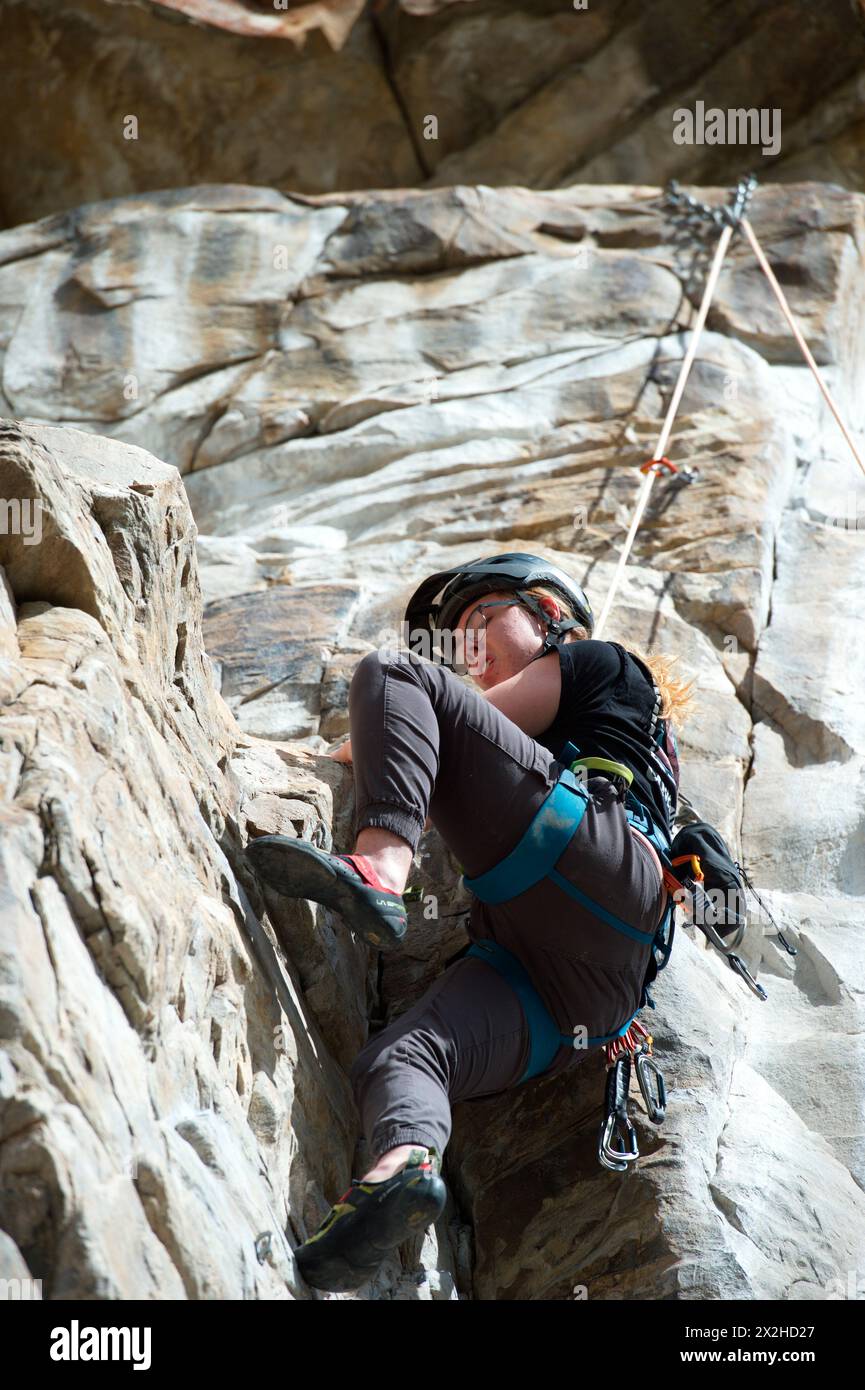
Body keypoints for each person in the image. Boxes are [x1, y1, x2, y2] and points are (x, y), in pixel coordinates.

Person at [245, 552, 696, 1292]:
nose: (470, 650)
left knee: (391, 674)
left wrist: (337, 750)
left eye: (483, 620)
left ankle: (378, 872)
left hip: (596, 857)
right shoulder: (598, 725)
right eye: (458, 641)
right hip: (581, 991)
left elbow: (431, 719)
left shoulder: (598, 663)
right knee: (402, 1058)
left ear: (551, 614)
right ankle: (403, 1169)